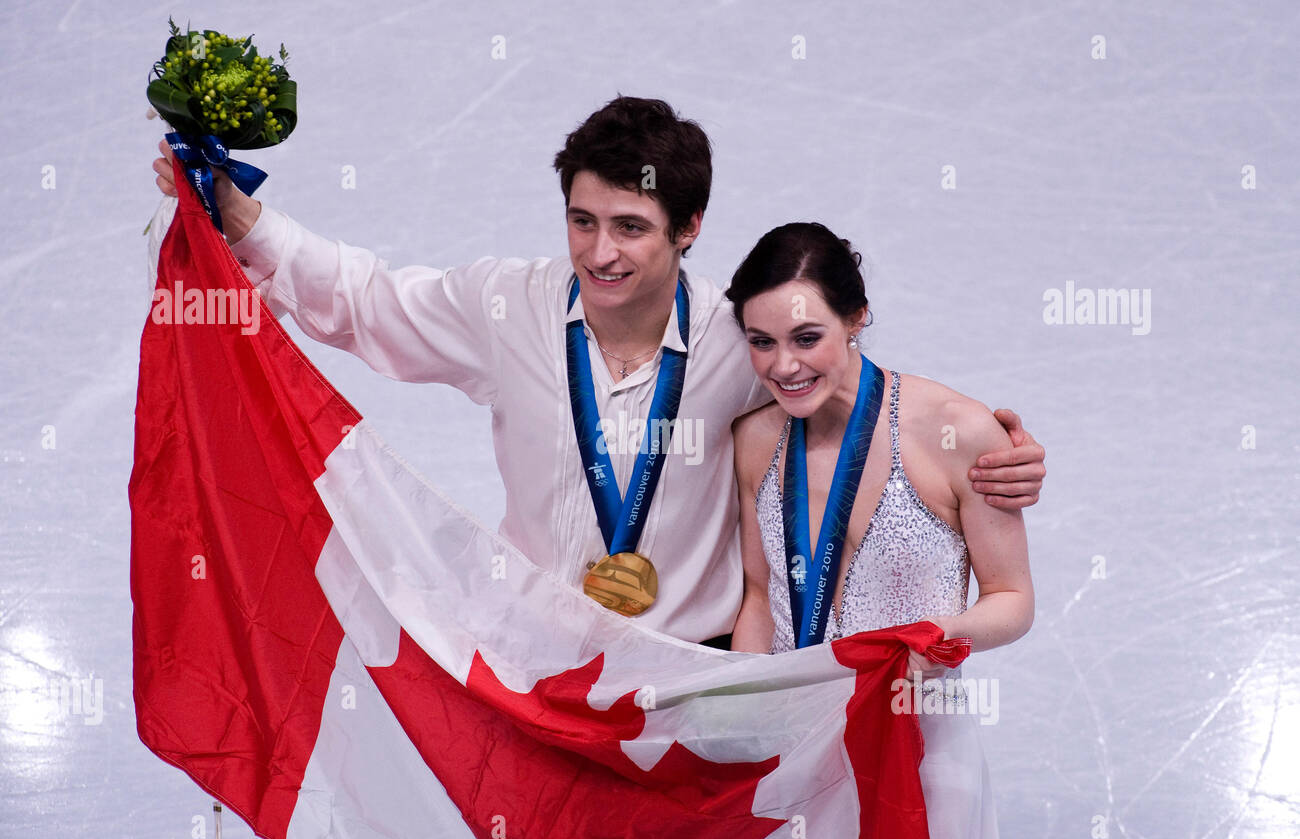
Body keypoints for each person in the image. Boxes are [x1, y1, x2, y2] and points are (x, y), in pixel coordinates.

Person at [150, 96, 1046, 648]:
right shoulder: (507, 309)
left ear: (689, 227)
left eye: (629, 226)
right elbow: (368, 299)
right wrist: (241, 220)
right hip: (536, 663)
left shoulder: (743, 345)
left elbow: (846, 380)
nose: (600, 252)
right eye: (582, 221)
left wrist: (995, 450)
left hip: (693, 670)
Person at [727, 222, 1034, 839]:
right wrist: (741, 710)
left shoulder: (957, 429)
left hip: (920, 750)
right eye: (762, 342)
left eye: (807, 338)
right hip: (797, 750)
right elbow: (760, 594)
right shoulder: (754, 438)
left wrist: (934, 638)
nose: (784, 364)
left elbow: (1012, 600)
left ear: (856, 319)